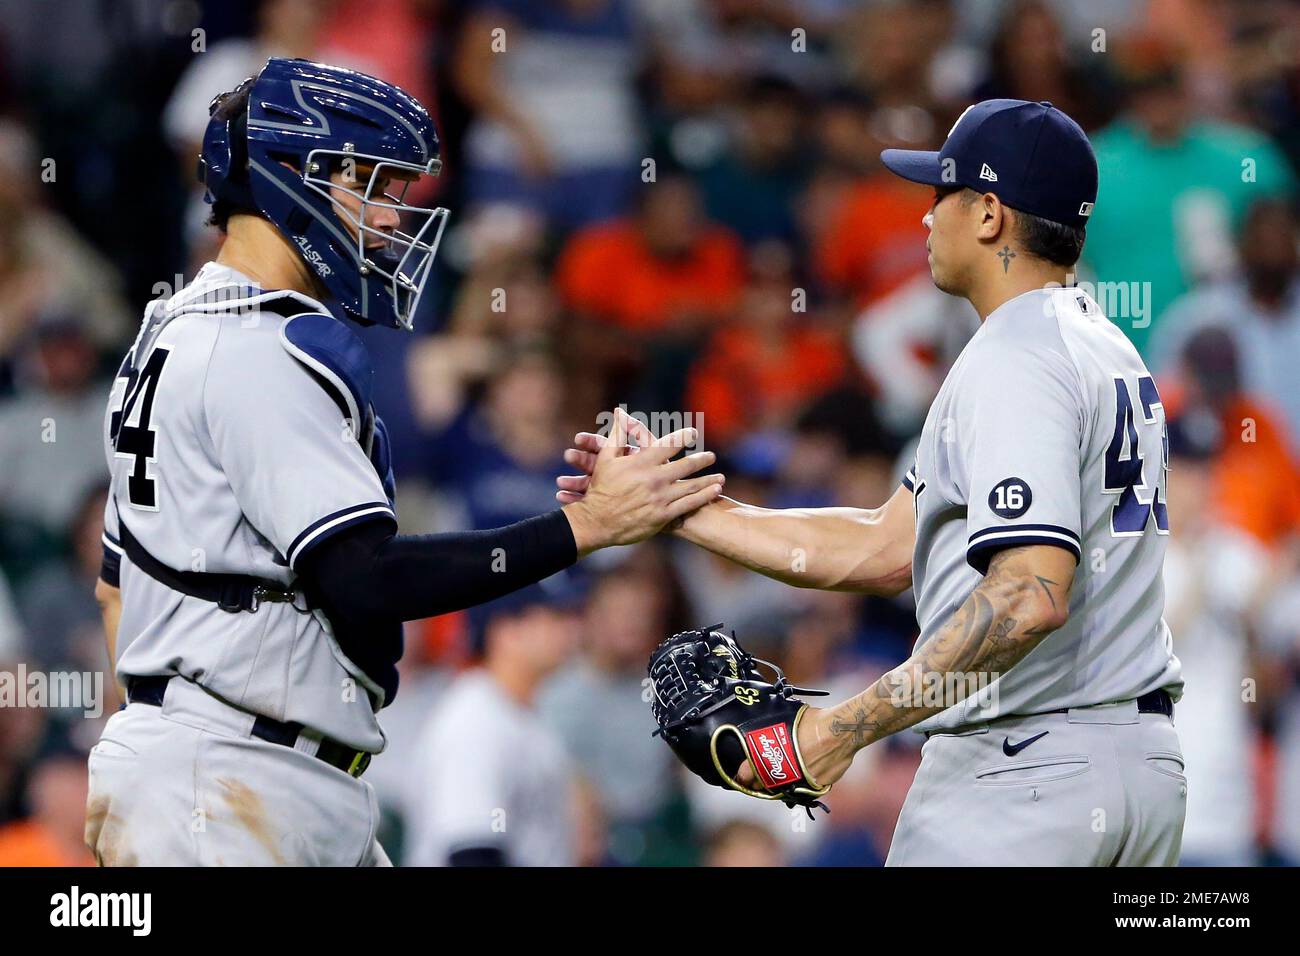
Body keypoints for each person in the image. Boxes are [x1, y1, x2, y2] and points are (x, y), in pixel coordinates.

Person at [86, 57, 724, 867]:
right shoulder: (256, 348)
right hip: (231, 778)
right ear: (298, 177)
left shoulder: (171, 331)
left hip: (245, 766)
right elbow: (362, 576)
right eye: (378, 189)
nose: (392, 220)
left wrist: (165, 720)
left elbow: (116, 590)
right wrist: (587, 526)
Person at [561, 99, 1186, 866]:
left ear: (989, 215)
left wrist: (841, 729)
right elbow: (889, 547)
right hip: (1141, 771)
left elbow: (1029, 594)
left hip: (1022, 774)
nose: (923, 220)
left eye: (940, 196)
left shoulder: (1015, 357)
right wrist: (684, 510)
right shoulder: (1106, 347)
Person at [404, 576, 583, 867]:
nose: (571, 629)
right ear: (506, 632)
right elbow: (471, 851)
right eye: (554, 617)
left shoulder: (522, 713)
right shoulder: (475, 719)